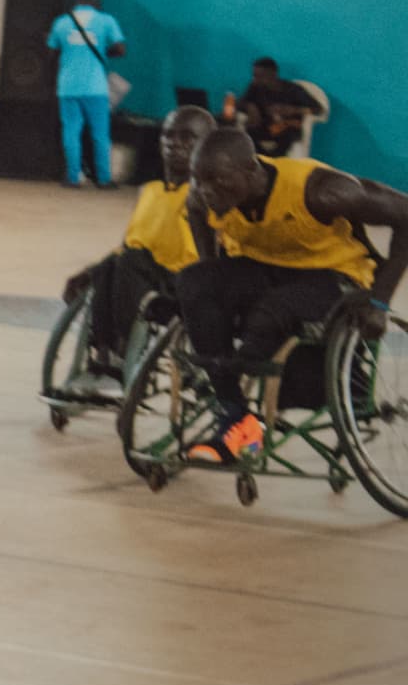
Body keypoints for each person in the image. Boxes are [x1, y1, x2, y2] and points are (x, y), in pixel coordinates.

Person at [174, 127, 406, 463]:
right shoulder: (201, 197)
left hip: (333, 274)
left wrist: (379, 302)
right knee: (194, 282)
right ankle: (234, 414)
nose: (206, 191)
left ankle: (245, 375)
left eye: (217, 181)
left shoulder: (322, 191)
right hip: (265, 267)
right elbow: (210, 269)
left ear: (251, 170)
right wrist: (213, 308)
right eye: (199, 180)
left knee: (272, 311)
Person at [59, 104, 212, 381]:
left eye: (187, 138)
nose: (174, 144)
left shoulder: (209, 195)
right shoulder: (151, 191)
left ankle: (122, 353)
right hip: (144, 272)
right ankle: (103, 352)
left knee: (127, 262)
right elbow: (131, 243)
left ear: (207, 145)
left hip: (182, 281)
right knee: (111, 265)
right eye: (168, 135)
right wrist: (90, 272)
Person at [47, 0, 126, 189]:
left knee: (71, 132)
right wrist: (102, 53)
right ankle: (103, 179)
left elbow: (51, 51)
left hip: (68, 87)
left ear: (77, 1)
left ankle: (72, 178)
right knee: (100, 134)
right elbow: (120, 48)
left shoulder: (62, 23)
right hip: (95, 88)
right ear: (96, 1)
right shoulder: (106, 20)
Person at [222, 57, 317, 159]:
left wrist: (292, 109)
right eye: (254, 76)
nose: (255, 79)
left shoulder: (293, 90)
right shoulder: (255, 87)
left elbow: (317, 108)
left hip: (286, 128)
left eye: (260, 76)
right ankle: (260, 159)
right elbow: (240, 103)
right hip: (264, 127)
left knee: (287, 134)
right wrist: (250, 106)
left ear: (273, 74)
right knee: (241, 130)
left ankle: (272, 161)